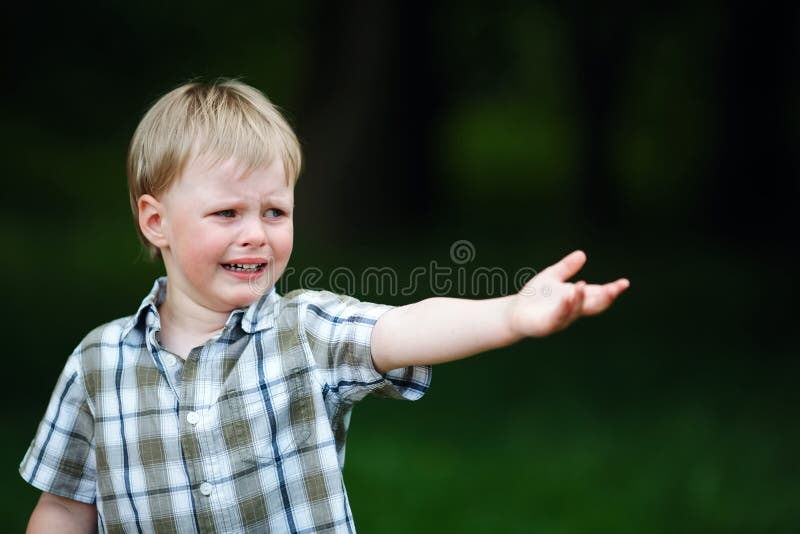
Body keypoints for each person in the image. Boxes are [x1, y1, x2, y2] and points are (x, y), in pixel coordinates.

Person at [20, 80, 630, 533]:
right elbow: (66, 505)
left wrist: (510, 314)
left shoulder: (304, 331)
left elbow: (405, 326)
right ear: (157, 222)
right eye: (227, 213)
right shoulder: (98, 363)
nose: (256, 233)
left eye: (274, 212)